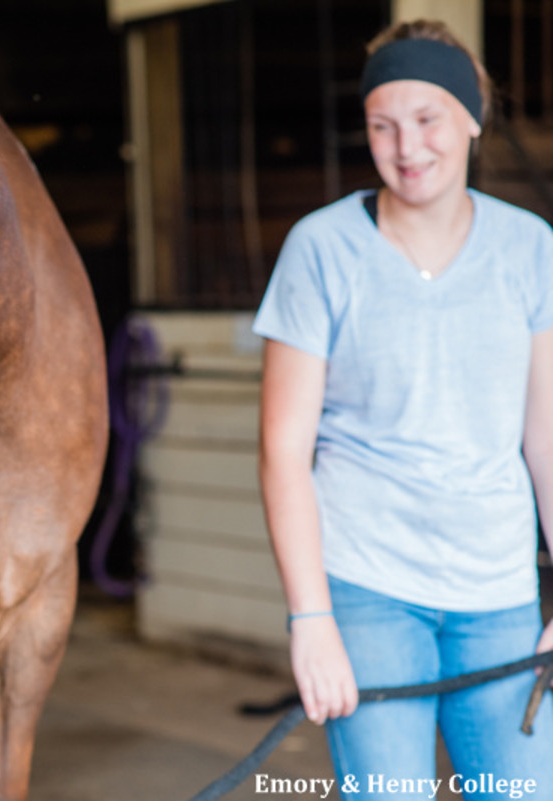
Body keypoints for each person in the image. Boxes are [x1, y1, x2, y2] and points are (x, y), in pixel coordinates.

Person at [254, 19, 553, 800]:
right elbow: (284, 451)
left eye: (427, 120)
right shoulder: (320, 250)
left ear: (471, 119)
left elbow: (547, 436)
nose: (407, 146)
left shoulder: (531, 249)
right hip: (369, 585)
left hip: (499, 591)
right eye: (383, 126)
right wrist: (310, 619)